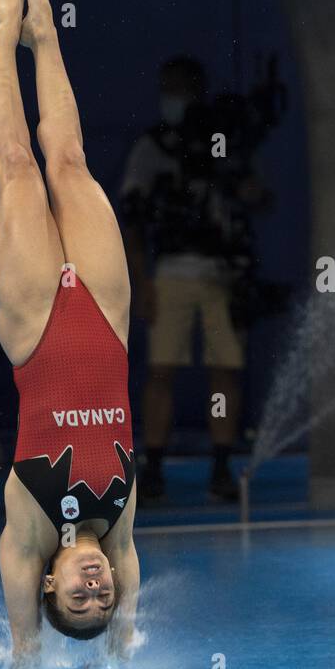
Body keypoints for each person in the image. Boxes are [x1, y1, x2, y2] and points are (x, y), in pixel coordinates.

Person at [0, 0, 139, 667]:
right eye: (101, 599)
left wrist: (27, 652)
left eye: (78, 600)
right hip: (106, 321)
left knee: (19, 166)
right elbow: (128, 596)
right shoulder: (120, 525)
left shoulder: (31, 527)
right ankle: (45, 35)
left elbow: (23, 648)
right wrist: (120, 641)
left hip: (38, 330)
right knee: (71, 164)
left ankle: (2, 35)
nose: (95, 589)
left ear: (47, 583)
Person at [121, 56, 264, 505]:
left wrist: (246, 190)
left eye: (181, 88)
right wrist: (141, 282)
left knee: (226, 368)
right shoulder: (153, 148)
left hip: (222, 273)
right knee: (161, 370)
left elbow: (254, 194)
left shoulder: (222, 141)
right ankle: (154, 467)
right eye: (168, 88)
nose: (174, 98)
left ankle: (222, 466)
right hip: (171, 273)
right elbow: (132, 219)